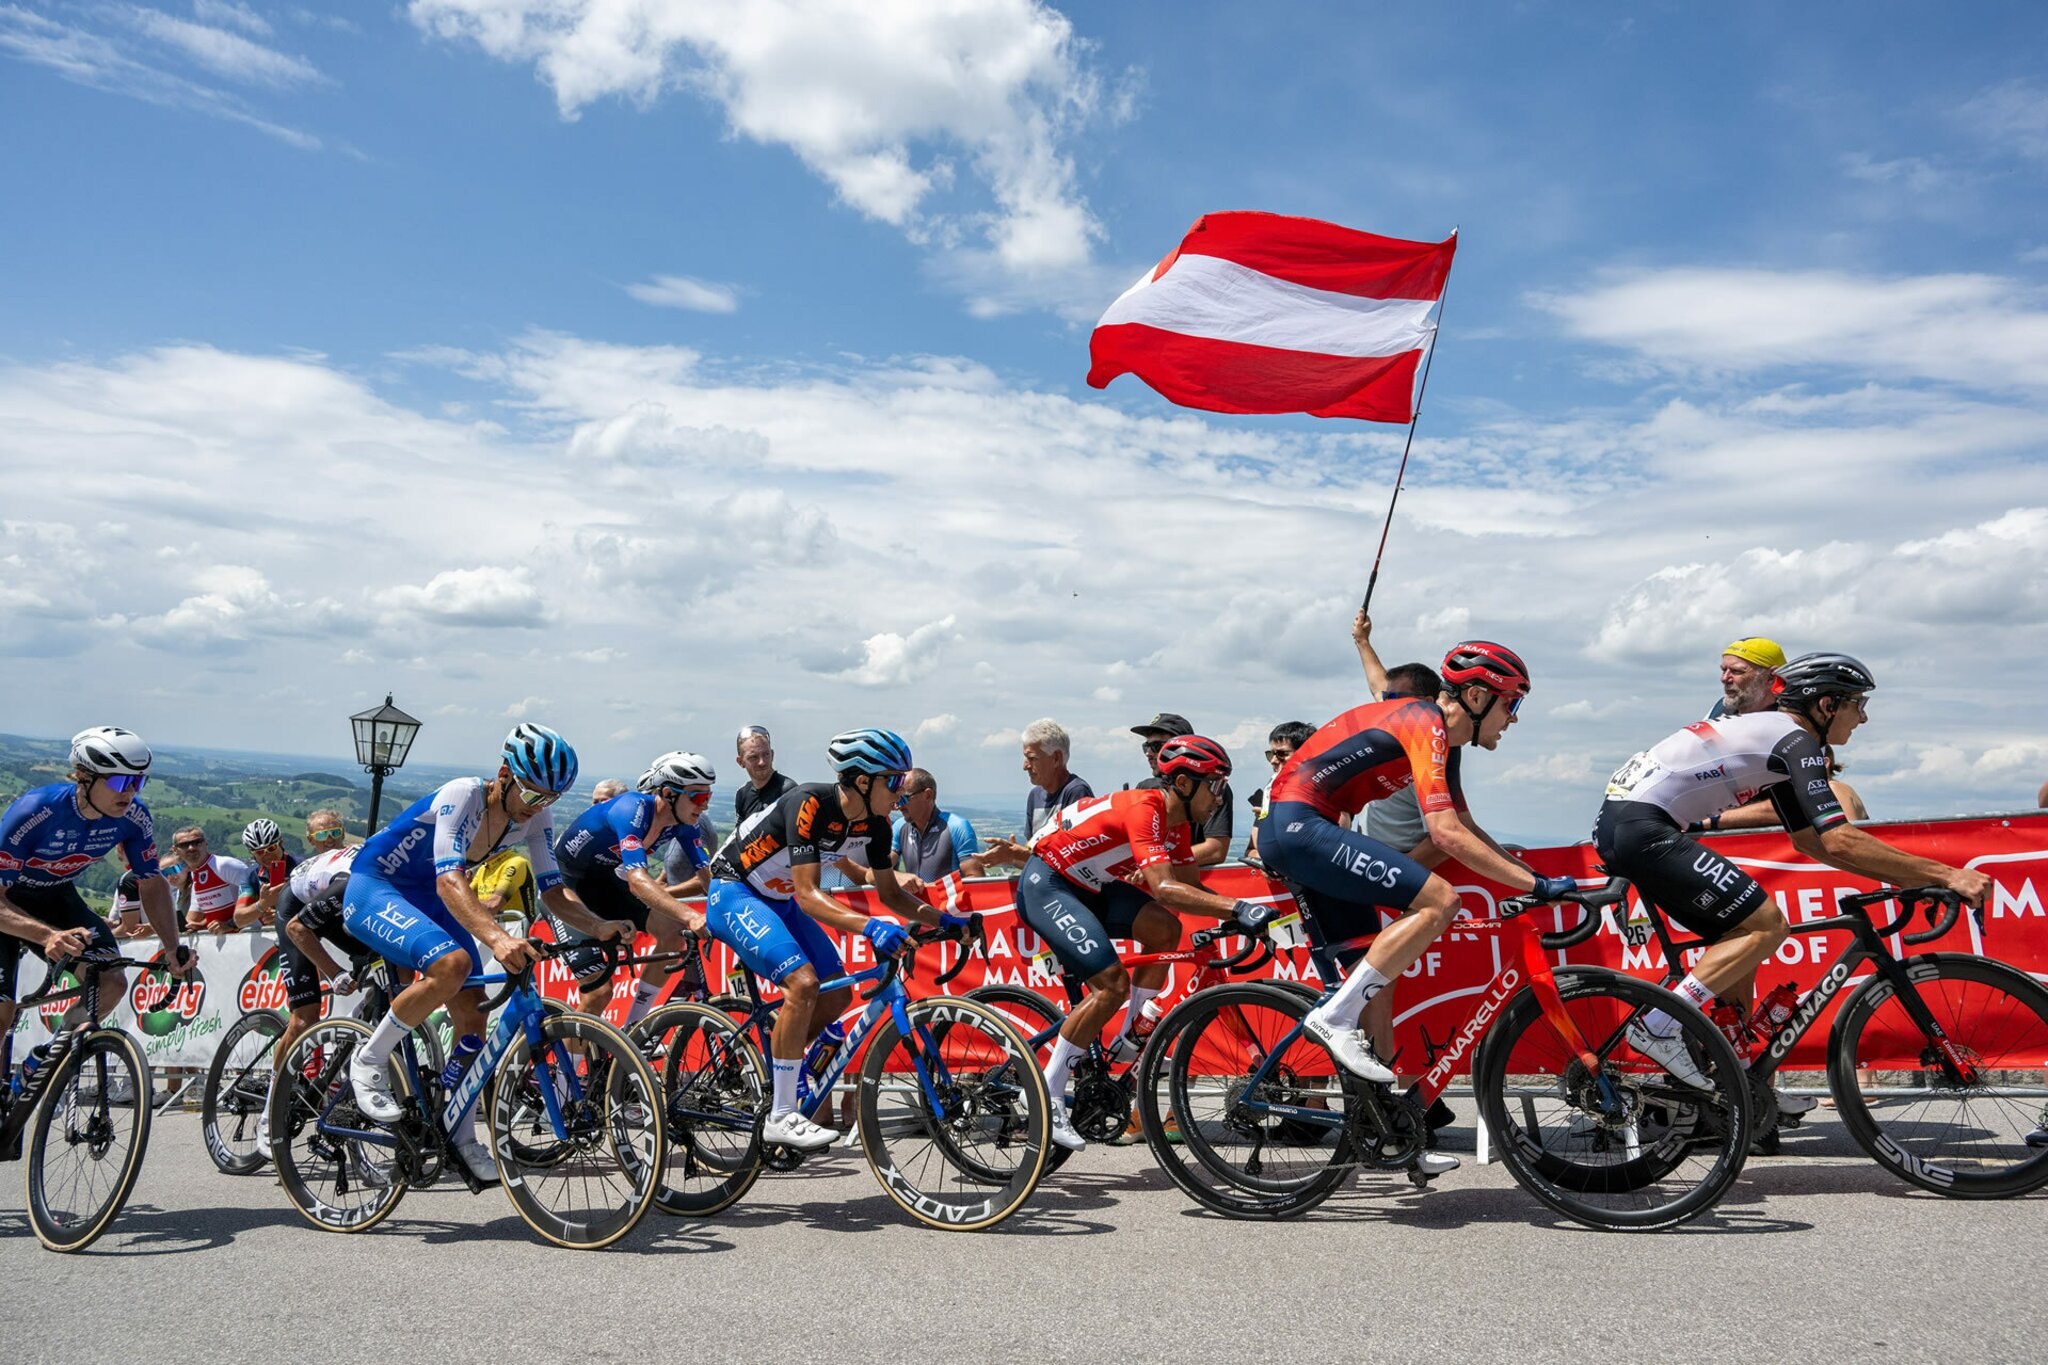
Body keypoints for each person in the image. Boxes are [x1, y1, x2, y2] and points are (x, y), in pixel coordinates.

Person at [1593, 653, 1991, 1119]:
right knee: (1766, 927)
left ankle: (1741, 1083)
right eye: (1857, 705)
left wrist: (1907, 877)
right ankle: (1658, 1023)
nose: (1863, 717)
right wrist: (1946, 874)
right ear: (1826, 704)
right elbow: (1840, 839)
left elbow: (1810, 841)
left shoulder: (1778, 742)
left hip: (1633, 826)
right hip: (1643, 827)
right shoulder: (1795, 740)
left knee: (1738, 946)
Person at [1260, 642, 1573, 1176]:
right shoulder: (1424, 720)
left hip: (1312, 826)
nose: (1513, 719)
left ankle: (1388, 1130)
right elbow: (1444, 833)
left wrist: (1536, 879)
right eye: (1511, 704)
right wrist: (1536, 885)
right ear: (1475, 696)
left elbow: (1468, 827)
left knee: (1380, 982)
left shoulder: (1444, 743)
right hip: (1298, 823)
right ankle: (1333, 1019)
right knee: (1440, 900)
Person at [339, 724, 633, 1185]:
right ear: (504, 775)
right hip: (379, 886)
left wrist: (599, 926)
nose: (541, 807)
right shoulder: (464, 795)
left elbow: (553, 892)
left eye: (553, 799)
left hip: (432, 898)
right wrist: (498, 939)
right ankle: (370, 1060)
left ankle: (459, 1136)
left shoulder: (536, 817)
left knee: (473, 1018)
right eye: (535, 795)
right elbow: (448, 879)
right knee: (452, 965)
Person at [703, 728, 960, 1151]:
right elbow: (809, 895)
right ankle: (782, 1114)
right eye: (893, 781)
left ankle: (780, 1068)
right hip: (735, 890)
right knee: (803, 984)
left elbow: (891, 894)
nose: (899, 793)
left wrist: (944, 919)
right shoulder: (809, 803)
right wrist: (870, 927)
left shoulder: (876, 824)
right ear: (863, 781)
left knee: (837, 996)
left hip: (780, 898)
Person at [1016, 736, 1271, 1153]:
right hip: (1049, 883)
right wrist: (1239, 908)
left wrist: (1241, 918)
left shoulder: (1178, 827)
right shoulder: (1146, 808)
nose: (1221, 798)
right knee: (1110, 985)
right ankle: (1047, 1095)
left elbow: (1192, 891)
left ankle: (1131, 1037)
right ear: (1185, 784)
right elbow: (1166, 887)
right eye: (1217, 786)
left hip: (1090, 887)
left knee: (1164, 929)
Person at [0, 728, 193, 1073]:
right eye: (121, 783)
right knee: (0, 1013)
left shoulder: (133, 818)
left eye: (139, 783)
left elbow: (151, 882)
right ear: (85, 777)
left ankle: (44, 1062)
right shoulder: (35, 811)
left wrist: (171, 947)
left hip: (55, 897)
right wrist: (46, 937)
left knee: (111, 981)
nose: (131, 793)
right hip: (7, 903)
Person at [551, 751, 716, 1025]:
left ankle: (634, 1030)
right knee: (599, 992)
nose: (705, 805)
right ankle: (564, 1070)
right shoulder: (631, 809)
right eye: (698, 797)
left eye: (708, 797)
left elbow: (707, 877)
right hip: (564, 885)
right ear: (668, 793)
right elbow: (638, 882)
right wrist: (690, 915)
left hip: (604, 884)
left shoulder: (686, 825)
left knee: (671, 932)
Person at [1350, 610, 1451, 861]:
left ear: (1427, 704)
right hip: (1376, 859)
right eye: (1387, 698)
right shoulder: (1398, 727)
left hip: (1398, 865)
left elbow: (1441, 841)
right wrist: (1363, 641)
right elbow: (1377, 684)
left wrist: (1393, 878)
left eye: (1394, 699)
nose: (1386, 704)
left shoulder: (1429, 755)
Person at [1133, 713, 1234, 865]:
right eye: (1146, 746)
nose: (1149, 753)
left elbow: (1216, 850)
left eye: (1156, 746)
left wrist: (1156, 863)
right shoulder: (1144, 787)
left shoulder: (1213, 788)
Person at [890, 769, 986, 882]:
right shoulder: (899, 826)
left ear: (928, 795)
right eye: (897, 798)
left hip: (947, 899)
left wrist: (933, 889)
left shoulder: (957, 827)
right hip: (913, 900)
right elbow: (876, 871)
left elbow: (976, 879)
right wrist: (899, 876)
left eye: (904, 798)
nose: (898, 806)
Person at [1244, 721, 1315, 864]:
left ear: (1305, 754)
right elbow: (1252, 849)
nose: (1273, 761)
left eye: (1282, 754)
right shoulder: (1270, 792)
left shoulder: (1327, 792)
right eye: (1271, 754)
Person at [164, 825, 251, 935]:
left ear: (206, 843)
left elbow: (260, 896)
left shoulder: (224, 865)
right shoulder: (196, 876)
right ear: (175, 850)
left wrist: (230, 924)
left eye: (197, 842)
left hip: (249, 937)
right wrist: (154, 927)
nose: (191, 848)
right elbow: (191, 921)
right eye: (184, 845)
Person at [1019, 718, 1093, 841]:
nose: (1025, 766)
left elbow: (1076, 853)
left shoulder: (1076, 792)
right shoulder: (1035, 795)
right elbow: (1031, 850)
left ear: (1056, 759)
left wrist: (1016, 855)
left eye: (1032, 758)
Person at [231, 818, 295, 932]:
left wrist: (284, 915)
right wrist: (262, 904)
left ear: (281, 842)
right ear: (252, 853)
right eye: (259, 852)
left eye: (271, 848)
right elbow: (239, 920)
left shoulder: (301, 866)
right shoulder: (251, 875)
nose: (267, 855)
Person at [1710, 637, 1787, 719]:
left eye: (1736, 671)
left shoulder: (1791, 719)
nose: (1724, 679)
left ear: (1771, 677)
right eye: (1724, 670)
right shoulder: (1719, 709)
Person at [734, 725, 797, 824]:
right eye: (754, 757)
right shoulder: (743, 794)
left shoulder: (788, 790)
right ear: (740, 762)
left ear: (772, 755)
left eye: (766, 754)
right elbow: (739, 835)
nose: (762, 762)